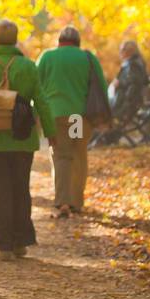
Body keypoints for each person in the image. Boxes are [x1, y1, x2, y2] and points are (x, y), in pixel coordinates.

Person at [0, 19, 56, 259]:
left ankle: (3, 244)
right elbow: (41, 99)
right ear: (15, 40)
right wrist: (50, 132)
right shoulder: (27, 66)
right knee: (20, 188)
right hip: (22, 137)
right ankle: (20, 242)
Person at [36, 26, 107, 216]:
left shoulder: (47, 57)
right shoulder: (87, 57)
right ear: (78, 42)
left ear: (59, 41)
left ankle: (62, 201)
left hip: (55, 115)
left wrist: (36, 116)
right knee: (78, 155)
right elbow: (101, 85)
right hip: (78, 116)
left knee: (60, 156)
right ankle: (76, 202)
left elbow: (36, 86)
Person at [110, 39, 149, 121]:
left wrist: (119, 83)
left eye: (122, 50)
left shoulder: (132, 65)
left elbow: (133, 85)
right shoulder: (135, 63)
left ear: (129, 51)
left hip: (124, 103)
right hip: (126, 101)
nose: (120, 52)